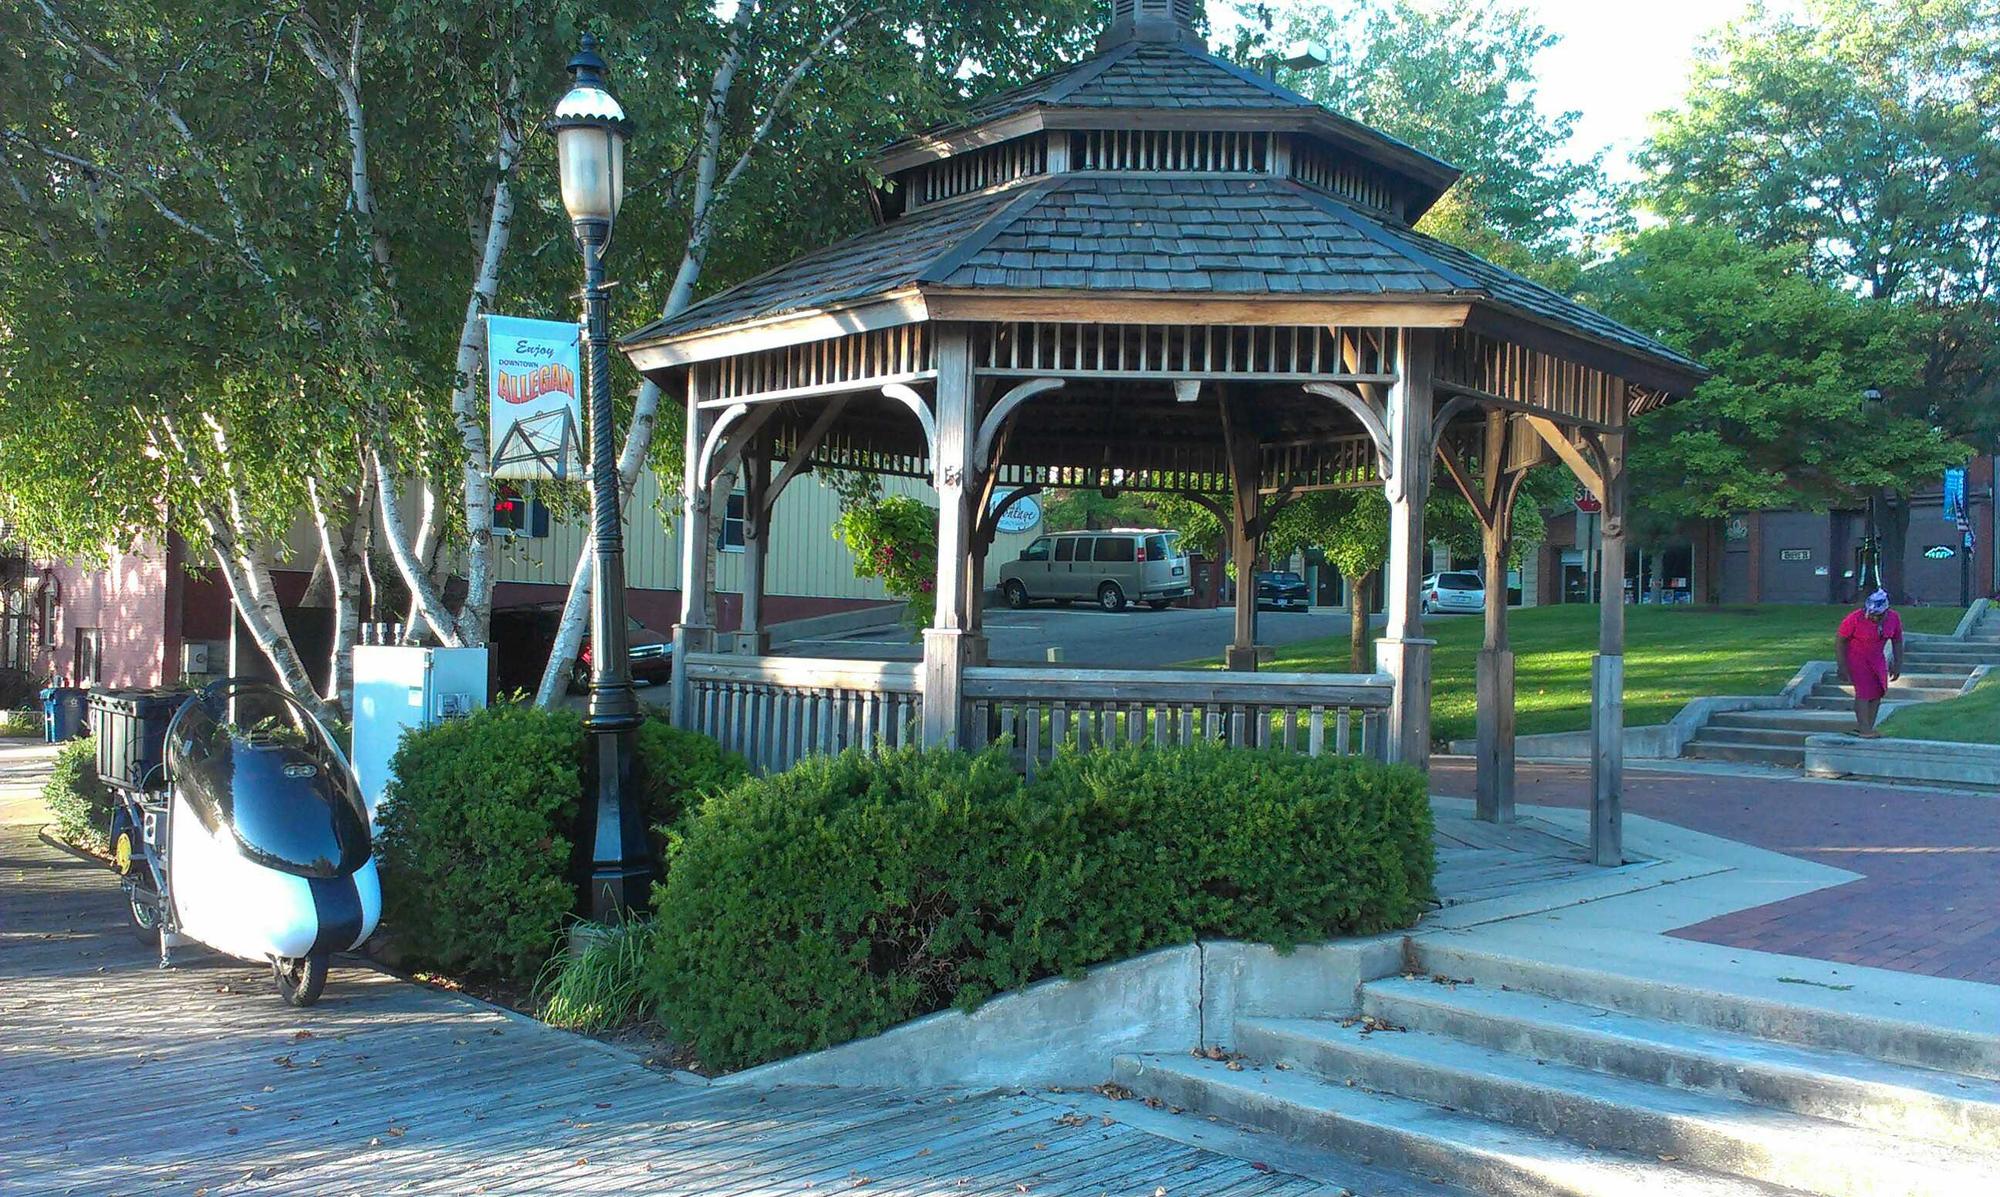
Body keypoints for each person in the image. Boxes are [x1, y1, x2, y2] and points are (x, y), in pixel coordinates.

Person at [1836, 589, 1903, 737]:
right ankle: (1864, 728)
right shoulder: (1854, 618)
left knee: (1878, 691)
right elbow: (1840, 640)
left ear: (1886, 611)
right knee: (1864, 692)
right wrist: (1842, 665)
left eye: (1878, 615)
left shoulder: (1893, 618)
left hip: (1877, 658)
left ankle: (1868, 727)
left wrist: (1897, 663)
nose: (1873, 618)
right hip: (1857, 658)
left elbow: (1897, 641)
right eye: (1871, 614)